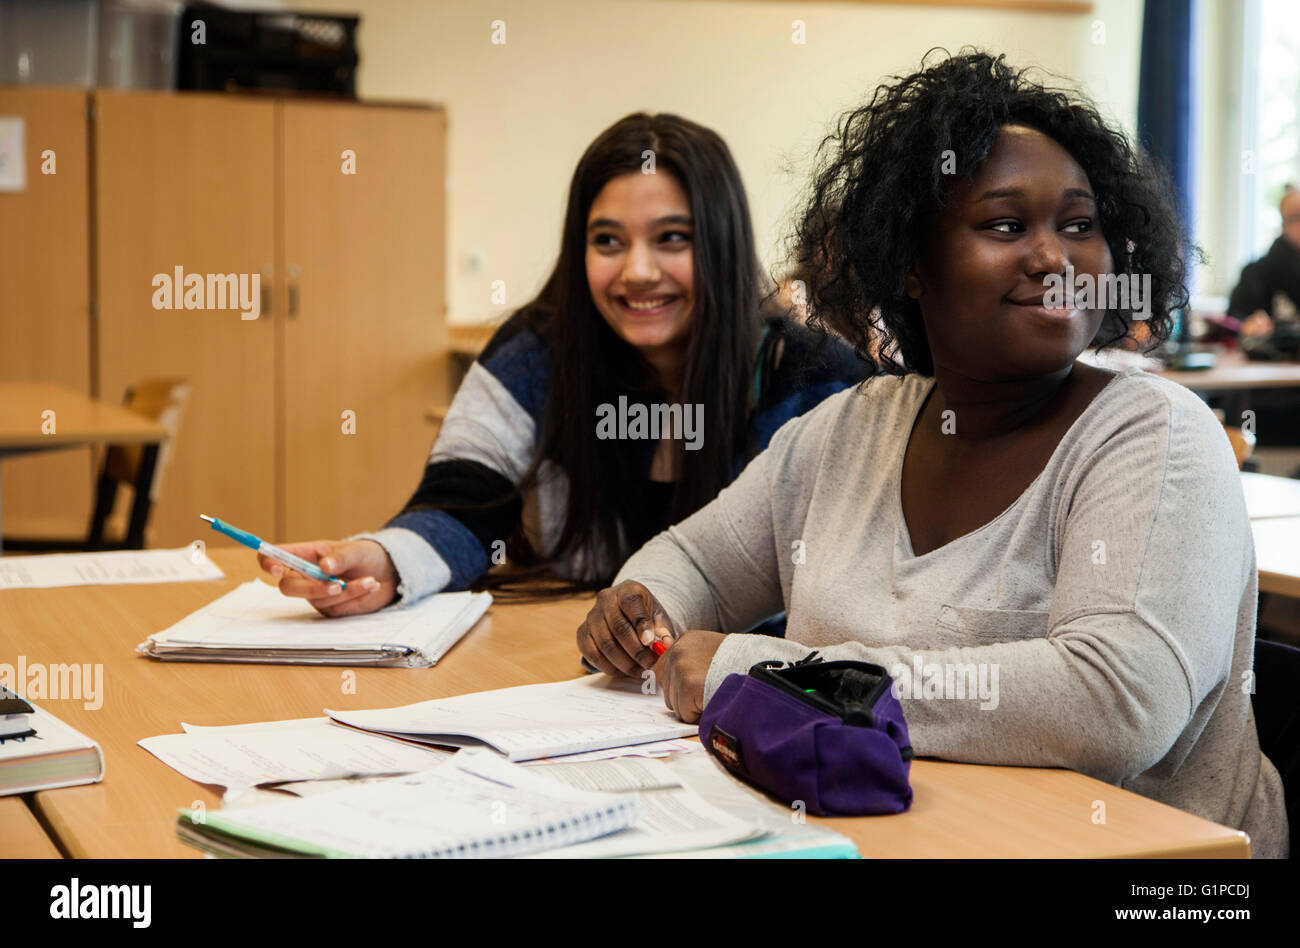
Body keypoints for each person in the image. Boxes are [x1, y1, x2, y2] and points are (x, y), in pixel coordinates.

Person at [580, 52, 1288, 858]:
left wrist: (770, 672)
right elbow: (698, 564)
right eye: (1005, 225)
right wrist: (646, 605)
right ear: (912, 263)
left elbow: (1116, 701)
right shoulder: (852, 428)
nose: (1054, 258)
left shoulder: (1156, 437)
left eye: (1079, 225)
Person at [260, 112, 867, 613]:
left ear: (722, 245)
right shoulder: (534, 353)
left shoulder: (813, 377)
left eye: (671, 238)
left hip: (740, 692)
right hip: (564, 680)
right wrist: (386, 560)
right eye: (608, 241)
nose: (636, 270)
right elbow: (464, 508)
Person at [1228, 185, 1300, 337]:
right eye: (1297, 218)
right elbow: (1233, 321)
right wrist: (1248, 326)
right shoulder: (1257, 273)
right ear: (1283, 224)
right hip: (1272, 358)